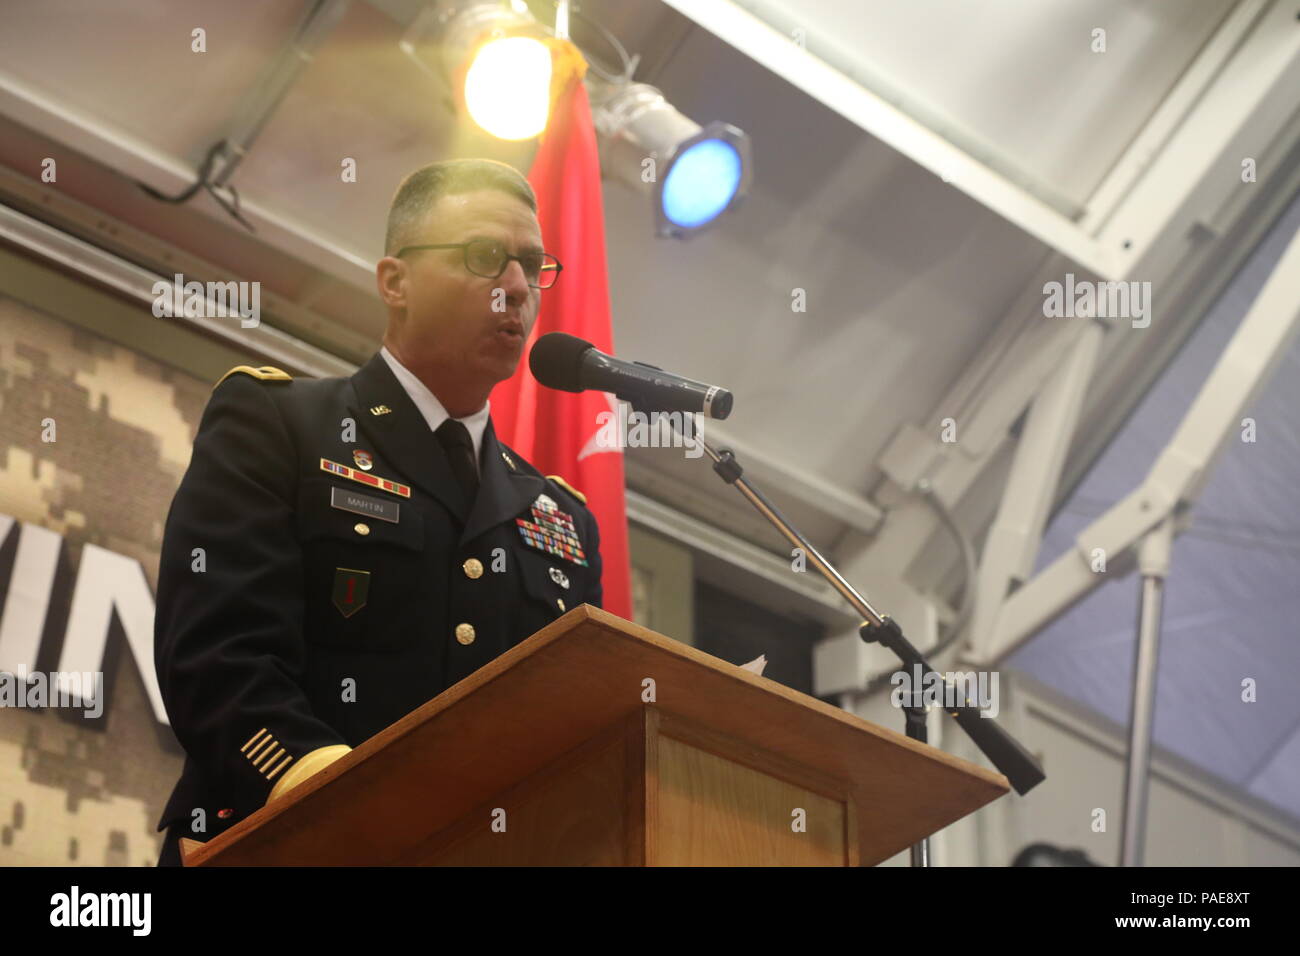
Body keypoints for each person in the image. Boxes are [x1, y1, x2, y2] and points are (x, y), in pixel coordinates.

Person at [153, 158, 602, 866]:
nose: (516, 286)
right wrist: (346, 805)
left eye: (532, 265)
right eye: (486, 256)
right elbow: (217, 659)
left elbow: (574, 738)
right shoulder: (280, 424)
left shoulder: (562, 520)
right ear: (394, 282)